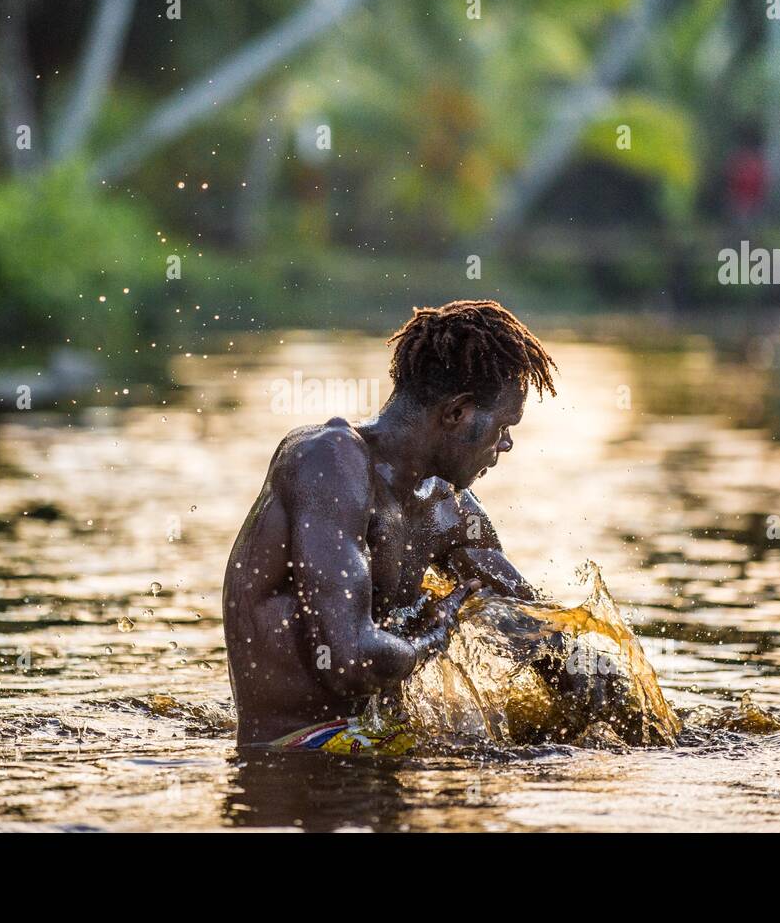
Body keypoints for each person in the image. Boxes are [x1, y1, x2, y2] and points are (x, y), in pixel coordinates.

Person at [222, 300, 558, 753]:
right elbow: (350, 660)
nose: (508, 443)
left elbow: (533, 627)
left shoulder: (450, 509)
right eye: (503, 425)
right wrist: (430, 640)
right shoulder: (329, 461)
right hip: (295, 756)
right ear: (457, 412)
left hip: (379, 747)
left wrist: (607, 690)